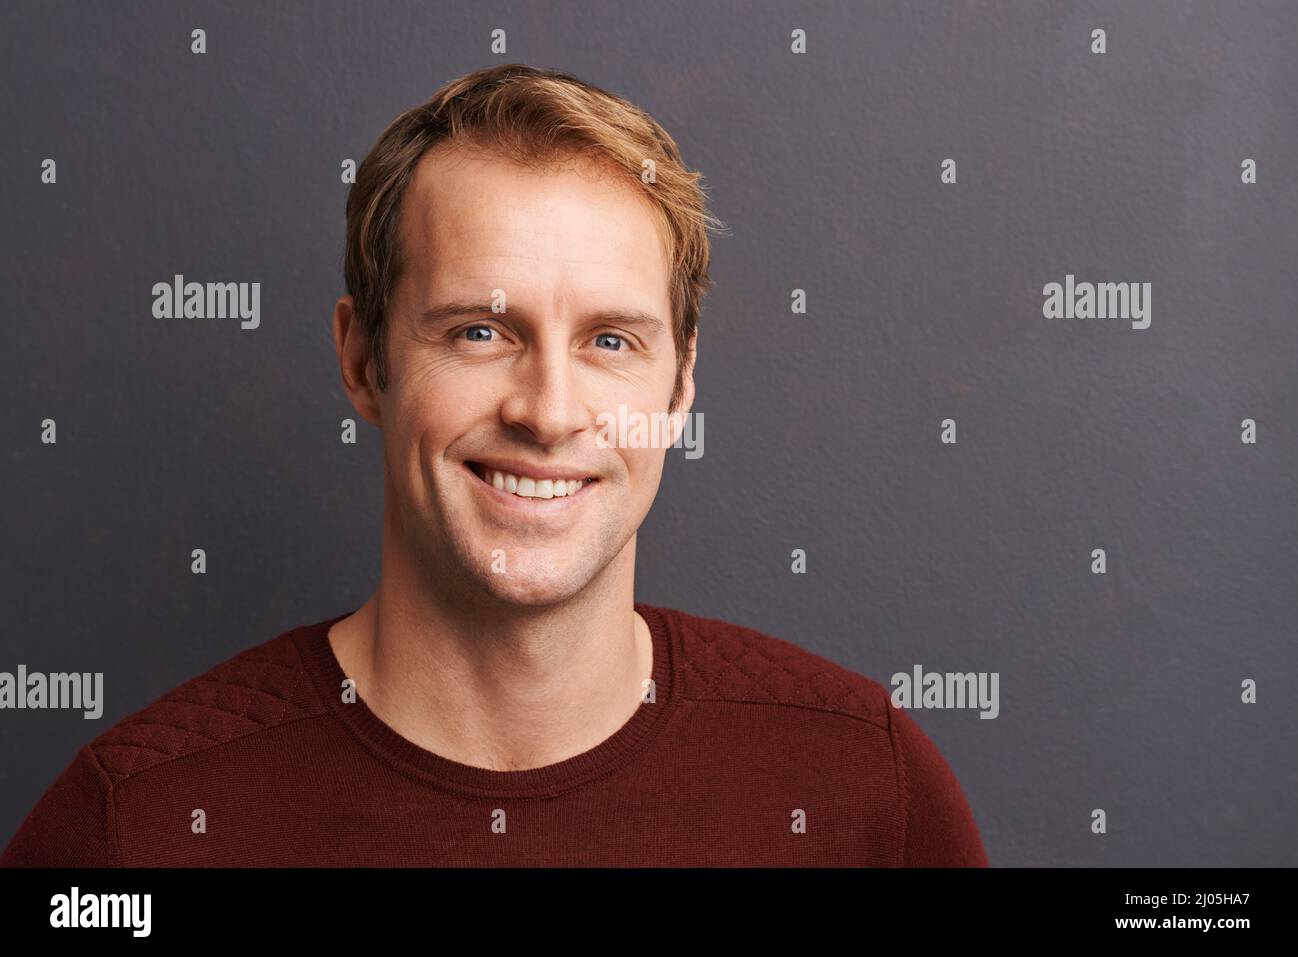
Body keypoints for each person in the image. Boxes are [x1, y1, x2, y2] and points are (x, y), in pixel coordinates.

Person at [2, 63, 987, 866]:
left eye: (610, 342)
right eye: (479, 331)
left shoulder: (862, 789)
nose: (549, 412)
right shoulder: (131, 830)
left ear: (680, 385)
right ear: (362, 361)